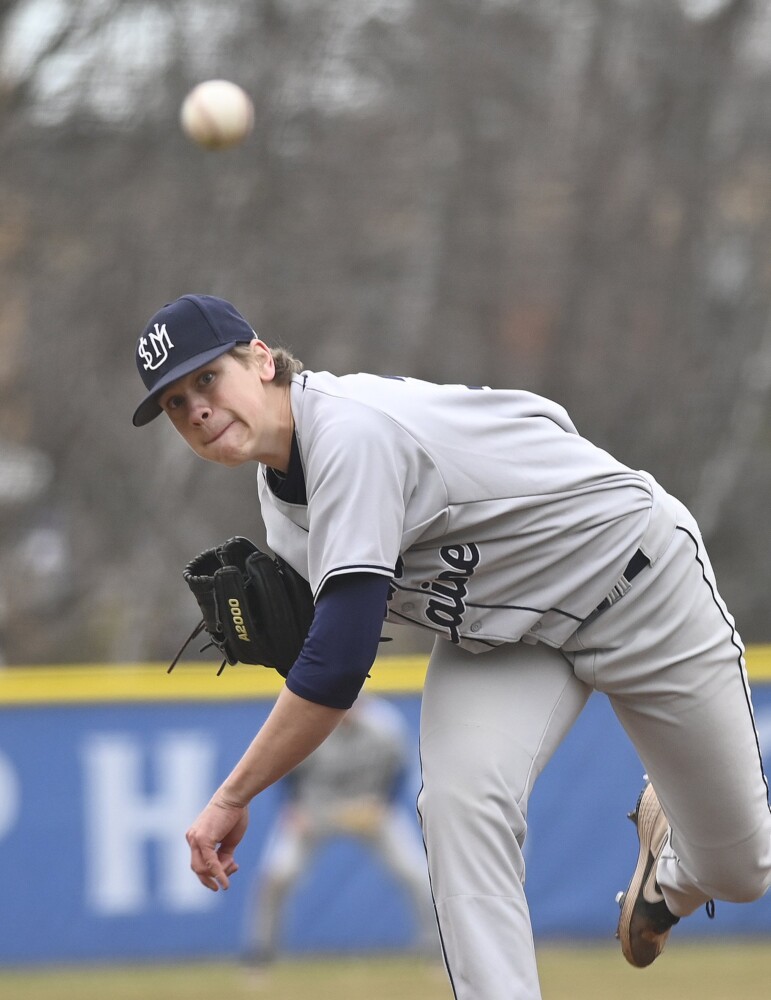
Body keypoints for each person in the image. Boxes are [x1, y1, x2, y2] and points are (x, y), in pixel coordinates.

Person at [133, 294, 771, 1000]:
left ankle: (672, 873)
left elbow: (339, 666)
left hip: (636, 584)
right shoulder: (279, 501)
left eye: (205, 379)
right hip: (506, 641)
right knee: (457, 810)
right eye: (173, 402)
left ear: (259, 360)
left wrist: (232, 794)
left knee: (739, 870)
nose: (193, 407)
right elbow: (329, 649)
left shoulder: (349, 434)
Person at [241, 694, 437, 967]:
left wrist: (385, 803)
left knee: (415, 872)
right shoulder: (312, 725)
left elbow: (399, 770)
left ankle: (436, 948)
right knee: (277, 874)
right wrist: (293, 807)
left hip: (368, 807)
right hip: (316, 809)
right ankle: (261, 953)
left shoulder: (384, 726)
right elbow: (285, 768)